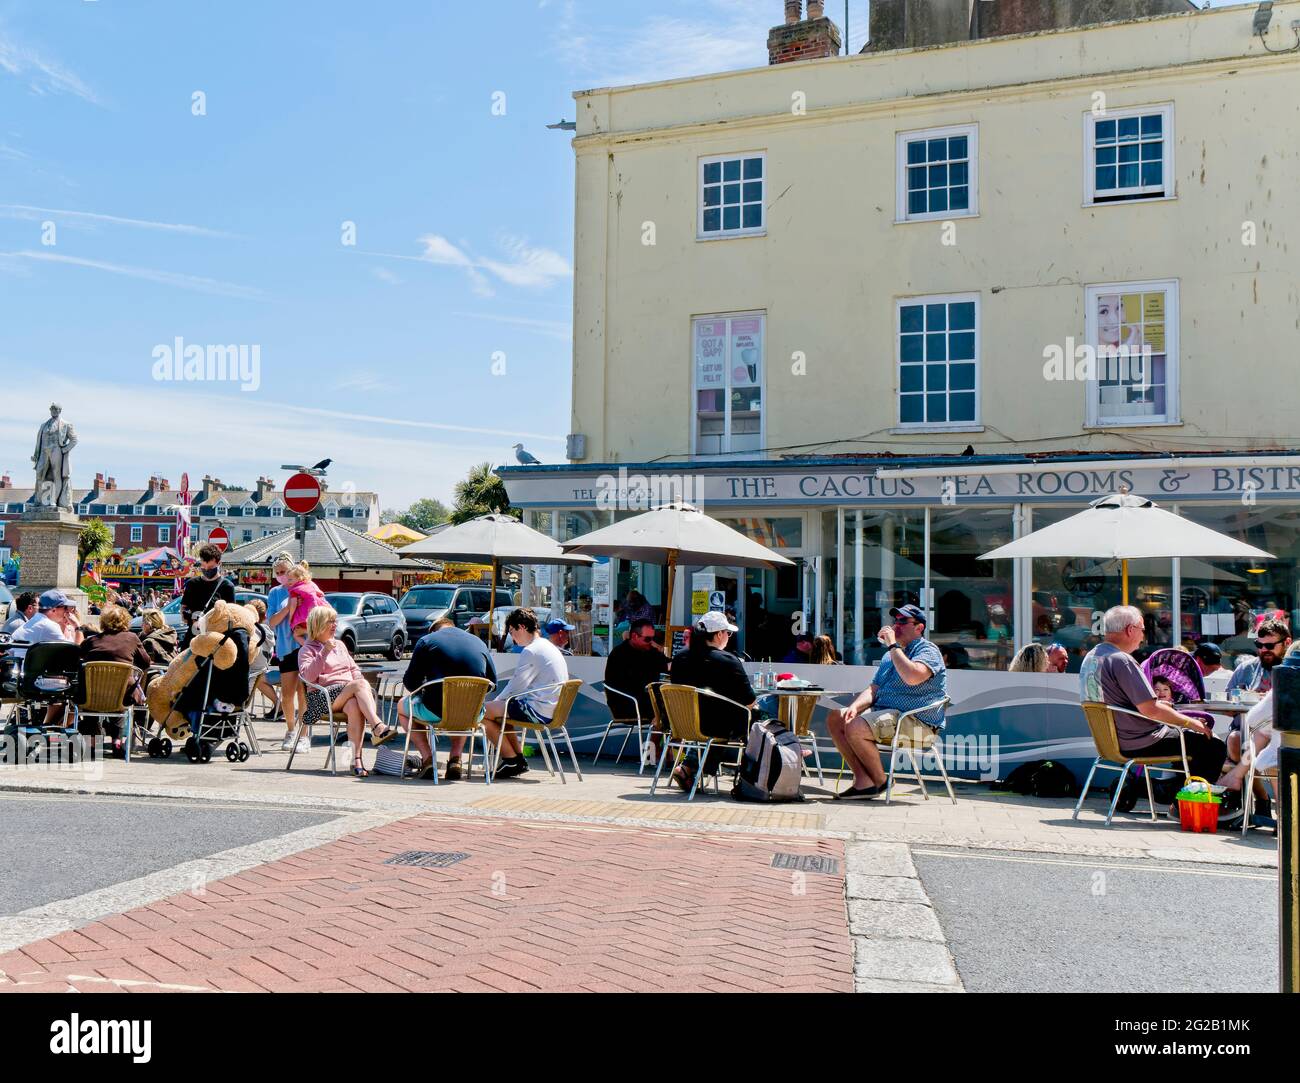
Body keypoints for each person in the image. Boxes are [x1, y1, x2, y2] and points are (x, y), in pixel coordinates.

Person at [1079, 605, 1227, 808]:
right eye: (1142, 629)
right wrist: (1191, 722)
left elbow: (1132, 703)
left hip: (1113, 741)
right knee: (1212, 744)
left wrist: (1169, 713)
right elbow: (1152, 710)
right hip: (1140, 740)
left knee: (1188, 739)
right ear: (1130, 630)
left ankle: (1166, 793)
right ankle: (1192, 805)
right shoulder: (1122, 661)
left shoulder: (1092, 657)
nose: (1143, 636)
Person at [826, 605, 947, 801]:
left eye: (902, 622)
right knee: (837, 718)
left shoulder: (928, 650)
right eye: (895, 621)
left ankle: (881, 781)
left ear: (919, 628)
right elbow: (874, 689)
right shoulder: (890, 655)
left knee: (856, 727)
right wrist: (855, 707)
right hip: (888, 716)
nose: (895, 626)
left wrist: (893, 646)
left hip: (917, 722)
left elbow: (912, 677)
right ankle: (864, 781)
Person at [297, 606, 399, 778]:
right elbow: (308, 676)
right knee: (359, 685)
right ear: (318, 624)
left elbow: (354, 669)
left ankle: (355, 761)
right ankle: (376, 725)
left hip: (346, 694)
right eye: (330, 621)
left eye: (335, 621)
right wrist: (324, 652)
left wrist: (356, 683)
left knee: (354, 706)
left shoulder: (340, 645)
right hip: (321, 699)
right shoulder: (307, 650)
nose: (334, 625)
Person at [665, 610, 757, 792]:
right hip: (716, 726)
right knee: (757, 718)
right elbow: (750, 701)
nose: (729, 637)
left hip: (683, 724)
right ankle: (757, 773)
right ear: (718, 634)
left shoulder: (680, 657)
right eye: (727, 633)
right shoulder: (728, 661)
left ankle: (687, 768)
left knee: (719, 720)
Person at [399, 616, 498, 780]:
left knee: (402, 707)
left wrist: (425, 687)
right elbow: (492, 682)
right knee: (463, 705)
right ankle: (455, 759)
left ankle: (427, 758)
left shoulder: (426, 641)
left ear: (433, 630)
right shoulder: (478, 642)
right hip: (471, 713)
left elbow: (411, 683)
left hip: (435, 711)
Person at [482, 608, 569, 780]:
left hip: (538, 710)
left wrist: (497, 701)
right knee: (500, 712)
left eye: (512, 632)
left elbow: (516, 686)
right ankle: (516, 760)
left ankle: (511, 759)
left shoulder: (531, 651)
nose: (512, 637)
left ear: (521, 627)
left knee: (482, 713)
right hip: (550, 709)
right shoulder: (547, 646)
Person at [78, 605, 152, 743]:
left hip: (91, 695)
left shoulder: (92, 641)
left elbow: (77, 659)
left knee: (91, 696)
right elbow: (146, 662)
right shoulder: (132, 638)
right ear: (125, 621)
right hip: (121, 696)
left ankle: (92, 741)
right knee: (120, 695)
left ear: (103, 622)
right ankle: (117, 741)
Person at [266, 554, 309, 753]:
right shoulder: (275, 593)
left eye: (285, 572)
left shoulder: (305, 588)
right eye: (278, 573)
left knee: (304, 692)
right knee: (288, 692)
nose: (282, 576)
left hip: (305, 645)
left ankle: (304, 734)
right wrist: (287, 609)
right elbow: (271, 622)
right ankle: (291, 730)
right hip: (285, 646)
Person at [603, 617, 666, 726]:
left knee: (676, 706)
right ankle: (654, 742)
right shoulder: (620, 654)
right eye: (647, 639)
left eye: (653, 638)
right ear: (634, 636)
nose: (651, 642)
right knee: (672, 710)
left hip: (643, 700)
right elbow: (636, 682)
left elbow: (665, 664)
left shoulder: (648, 650)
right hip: (627, 704)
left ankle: (656, 742)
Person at [180, 544, 235, 648]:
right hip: (194, 635)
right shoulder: (192, 584)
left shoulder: (227, 586)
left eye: (210, 567)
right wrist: (191, 617)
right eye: (203, 567)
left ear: (219, 563)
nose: (206, 570)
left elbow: (230, 616)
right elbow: (183, 609)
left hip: (216, 639)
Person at [1225, 618, 1291, 697]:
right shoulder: (1245, 668)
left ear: (1287, 643)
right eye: (1259, 645)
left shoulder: (1294, 670)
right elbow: (1228, 697)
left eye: (1269, 646)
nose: (1263, 650)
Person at [245, 597, 279, 721]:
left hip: (254, 673)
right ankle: (278, 705)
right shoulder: (268, 631)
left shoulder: (252, 631)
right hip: (264, 669)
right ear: (264, 615)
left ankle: (279, 705)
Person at [285, 562, 327, 648]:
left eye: (290, 579)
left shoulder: (294, 590)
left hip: (304, 616)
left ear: (299, 578)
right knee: (316, 631)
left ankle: (308, 647)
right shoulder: (310, 585)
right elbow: (321, 594)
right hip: (317, 613)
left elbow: (293, 604)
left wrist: (290, 618)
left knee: (296, 634)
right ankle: (319, 645)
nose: (288, 582)